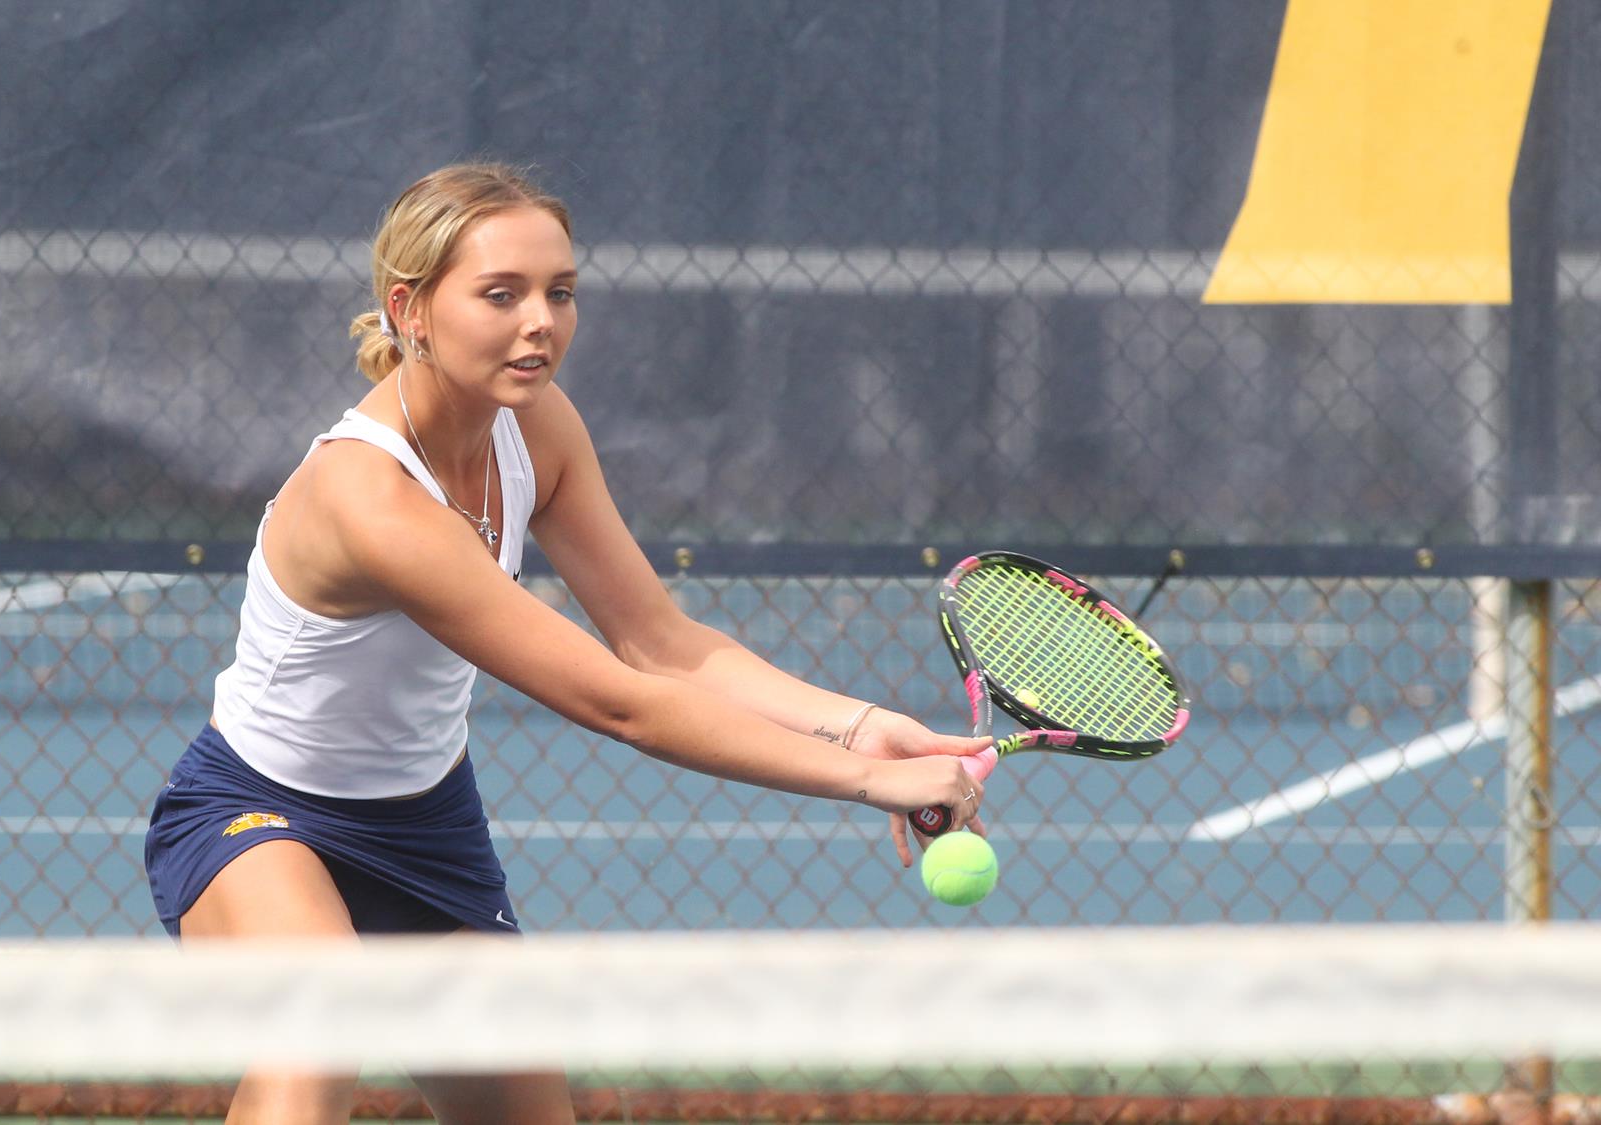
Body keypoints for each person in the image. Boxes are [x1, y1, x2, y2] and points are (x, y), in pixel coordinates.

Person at [143, 162, 994, 1125]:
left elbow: (661, 643)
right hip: (257, 813)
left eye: (560, 292)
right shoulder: (369, 499)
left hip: (426, 827)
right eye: (500, 295)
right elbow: (620, 702)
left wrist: (864, 728)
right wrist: (866, 782)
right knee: (321, 1025)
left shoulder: (534, 428)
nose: (540, 321)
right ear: (409, 308)